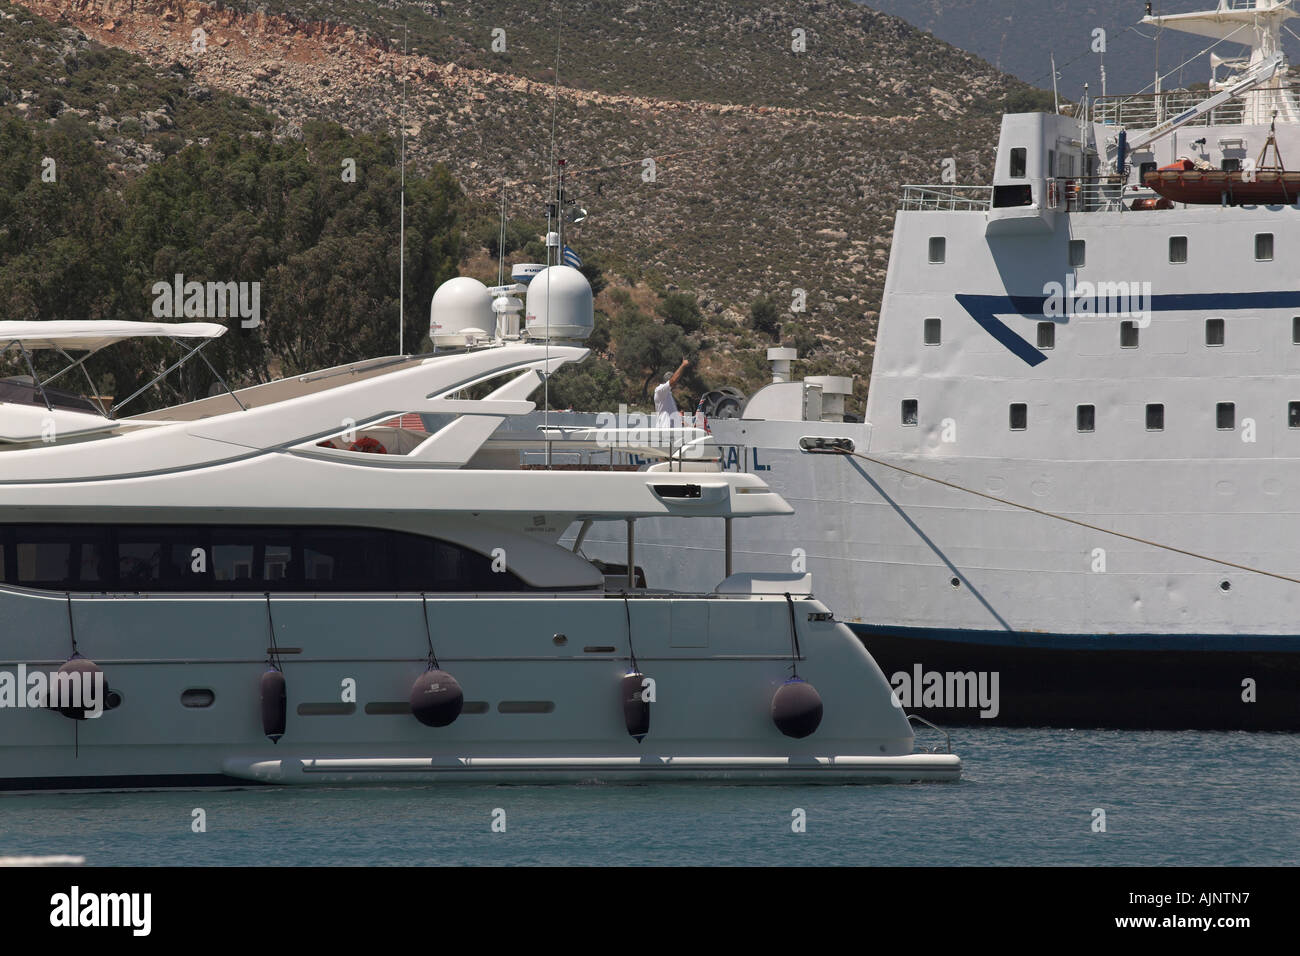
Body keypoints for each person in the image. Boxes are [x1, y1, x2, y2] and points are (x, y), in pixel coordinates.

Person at [654, 358, 689, 428]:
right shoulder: (660, 390)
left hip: (671, 432)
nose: (676, 384)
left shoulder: (668, 394)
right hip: (664, 431)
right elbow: (673, 381)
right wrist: (683, 365)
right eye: (676, 381)